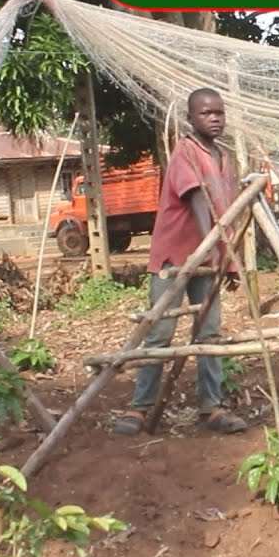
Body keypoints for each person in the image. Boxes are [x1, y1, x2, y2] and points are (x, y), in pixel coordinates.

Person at [113, 88, 248, 436]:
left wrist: (228, 262)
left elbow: (227, 213)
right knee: (159, 332)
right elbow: (199, 202)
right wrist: (213, 248)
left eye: (219, 112)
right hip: (174, 259)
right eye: (206, 113)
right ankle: (139, 409)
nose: (215, 118)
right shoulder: (184, 152)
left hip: (209, 261)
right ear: (192, 118)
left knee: (210, 333)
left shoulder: (224, 157)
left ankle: (211, 408)